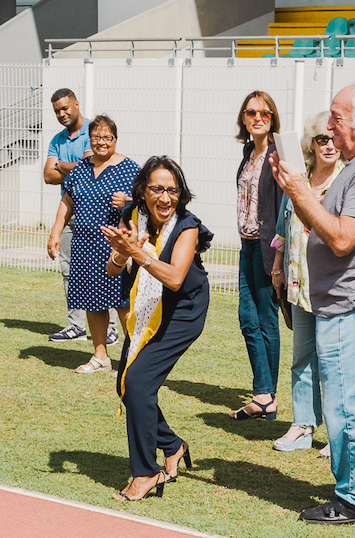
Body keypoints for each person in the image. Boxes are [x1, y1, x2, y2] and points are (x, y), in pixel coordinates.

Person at [270, 84, 355, 527]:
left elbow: (343, 238)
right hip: (348, 302)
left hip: (354, 303)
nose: (328, 127)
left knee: (348, 402)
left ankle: (354, 499)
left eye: (336, 118)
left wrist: (299, 192)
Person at [102, 157, 214, 501]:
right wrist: (124, 254)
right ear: (142, 191)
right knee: (128, 384)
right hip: (149, 305)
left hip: (184, 309)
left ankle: (146, 472)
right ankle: (172, 445)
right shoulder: (131, 216)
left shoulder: (188, 226)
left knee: (136, 381)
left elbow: (176, 278)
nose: (165, 198)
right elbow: (112, 269)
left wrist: (139, 252)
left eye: (172, 190)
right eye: (157, 189)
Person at [269, 112, 345, 455]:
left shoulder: (347, 181)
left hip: (333, 286)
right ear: (311, 145)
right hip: (298, 284)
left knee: (334, 362)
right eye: (321, 140)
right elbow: (284, 230)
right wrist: (277, 268)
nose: (328, 146)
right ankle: (303, 424)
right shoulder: (299, 179)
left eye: (333, 139)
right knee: (303, 358)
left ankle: (339, 431)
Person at [48, 115, 136, 374]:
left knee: (123, 304)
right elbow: (67, 202)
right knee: (92, 303)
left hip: (115, 248)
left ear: (115, 140)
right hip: (84, 246)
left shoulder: (131, 169)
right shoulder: (81, 168)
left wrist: (129, 200)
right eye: (96, 137)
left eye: (107, 137)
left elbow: (149, 201)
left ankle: (136, 359)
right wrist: (55, 232)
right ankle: (101, 356)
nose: (101, 142)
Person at [228, 90, 284, 422]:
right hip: (246, 244)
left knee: (265, 319)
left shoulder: (278, 155)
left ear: (273, 118)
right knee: (247, 318)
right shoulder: (248, 153)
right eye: (251, 113)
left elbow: (283, 207)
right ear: (244, 119)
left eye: (264, 113)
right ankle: (262, 393)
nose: (258, 118)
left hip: (268, 247)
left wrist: (278, 255)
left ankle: (266, 395)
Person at [43, 88, 91, 343]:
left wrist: (60, 164)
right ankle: (77, 326)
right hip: (68, 210)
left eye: (65, 108)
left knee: (101, 270)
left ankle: (111, 328)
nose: (61, 114)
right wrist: (73, 167)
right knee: (69, 270)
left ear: (76, 104)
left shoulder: (95, 131)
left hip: (94, 212)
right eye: (56, 111)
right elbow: (48, 176)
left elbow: (93, 166)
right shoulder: (57, 139)